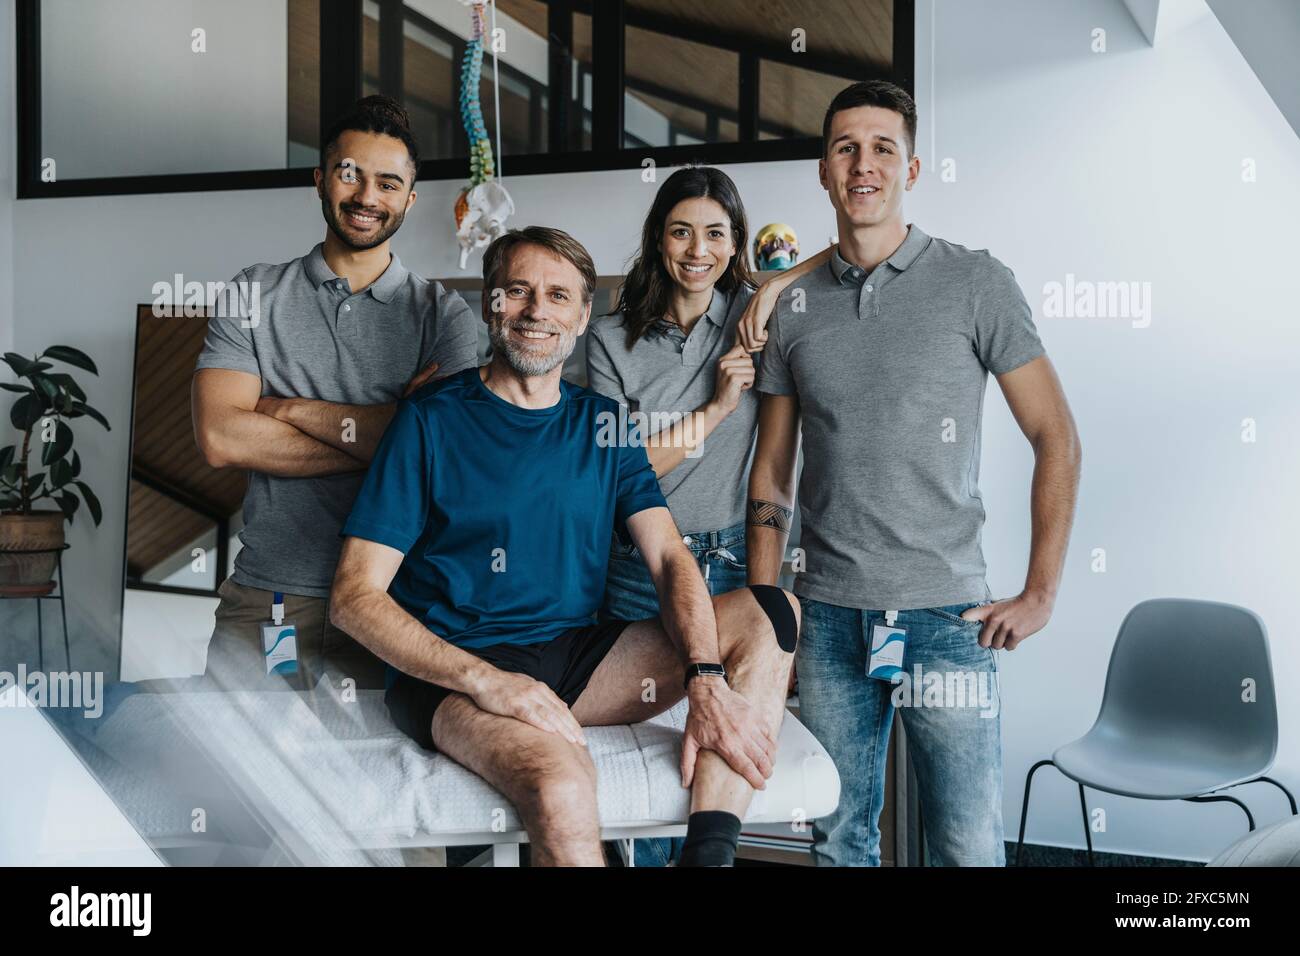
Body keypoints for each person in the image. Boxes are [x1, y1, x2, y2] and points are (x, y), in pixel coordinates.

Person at [329, 226, 801, 867]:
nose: (536, 310)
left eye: (558, 296)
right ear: (492, 305)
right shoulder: (430, 420)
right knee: (560, 788)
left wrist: (707, 677)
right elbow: (354, 597)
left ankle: (708, 855)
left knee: (773, 613)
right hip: (454, 673)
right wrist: (486, 681)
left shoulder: (603, 424)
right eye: (517, 291)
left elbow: (666, 558)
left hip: (573, 657)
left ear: (582, 317)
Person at [745, 80, 1083, 866]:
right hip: (826, 619)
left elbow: (1056, 435)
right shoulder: (791, 310)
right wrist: (771, 615)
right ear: (823, 171)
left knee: (965, 847)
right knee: (837, 839)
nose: (863, 164)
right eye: (844, 148)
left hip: (947, 618)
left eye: (882, 148)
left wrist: (1041, 592)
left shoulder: (976, 282)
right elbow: (770, 475)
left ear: (913, 168)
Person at [191, 96, 478, 693]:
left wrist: (287, 410)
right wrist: (398, 426)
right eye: (351, 173)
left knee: (379, 781)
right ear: (321, 179)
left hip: (395, 604)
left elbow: (452, 458)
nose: (367, 196)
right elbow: (220, 438)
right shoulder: (254, 293)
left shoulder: (444, 317)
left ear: (409, 199)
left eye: (388, 183)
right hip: (269, 601)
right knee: (236, 778)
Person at [584, 164, 828, 864]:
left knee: (707, 746)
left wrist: (775, 282)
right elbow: (618, 470)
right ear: (658, 240)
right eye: (681, 231)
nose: (698, 250)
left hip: (729, 559)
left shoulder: (756, 320)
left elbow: (847, 251)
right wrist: (716, 410)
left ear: (736, 241)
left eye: (716, 234)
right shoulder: (610, 339)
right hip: (639, 564)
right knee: (644, 756)